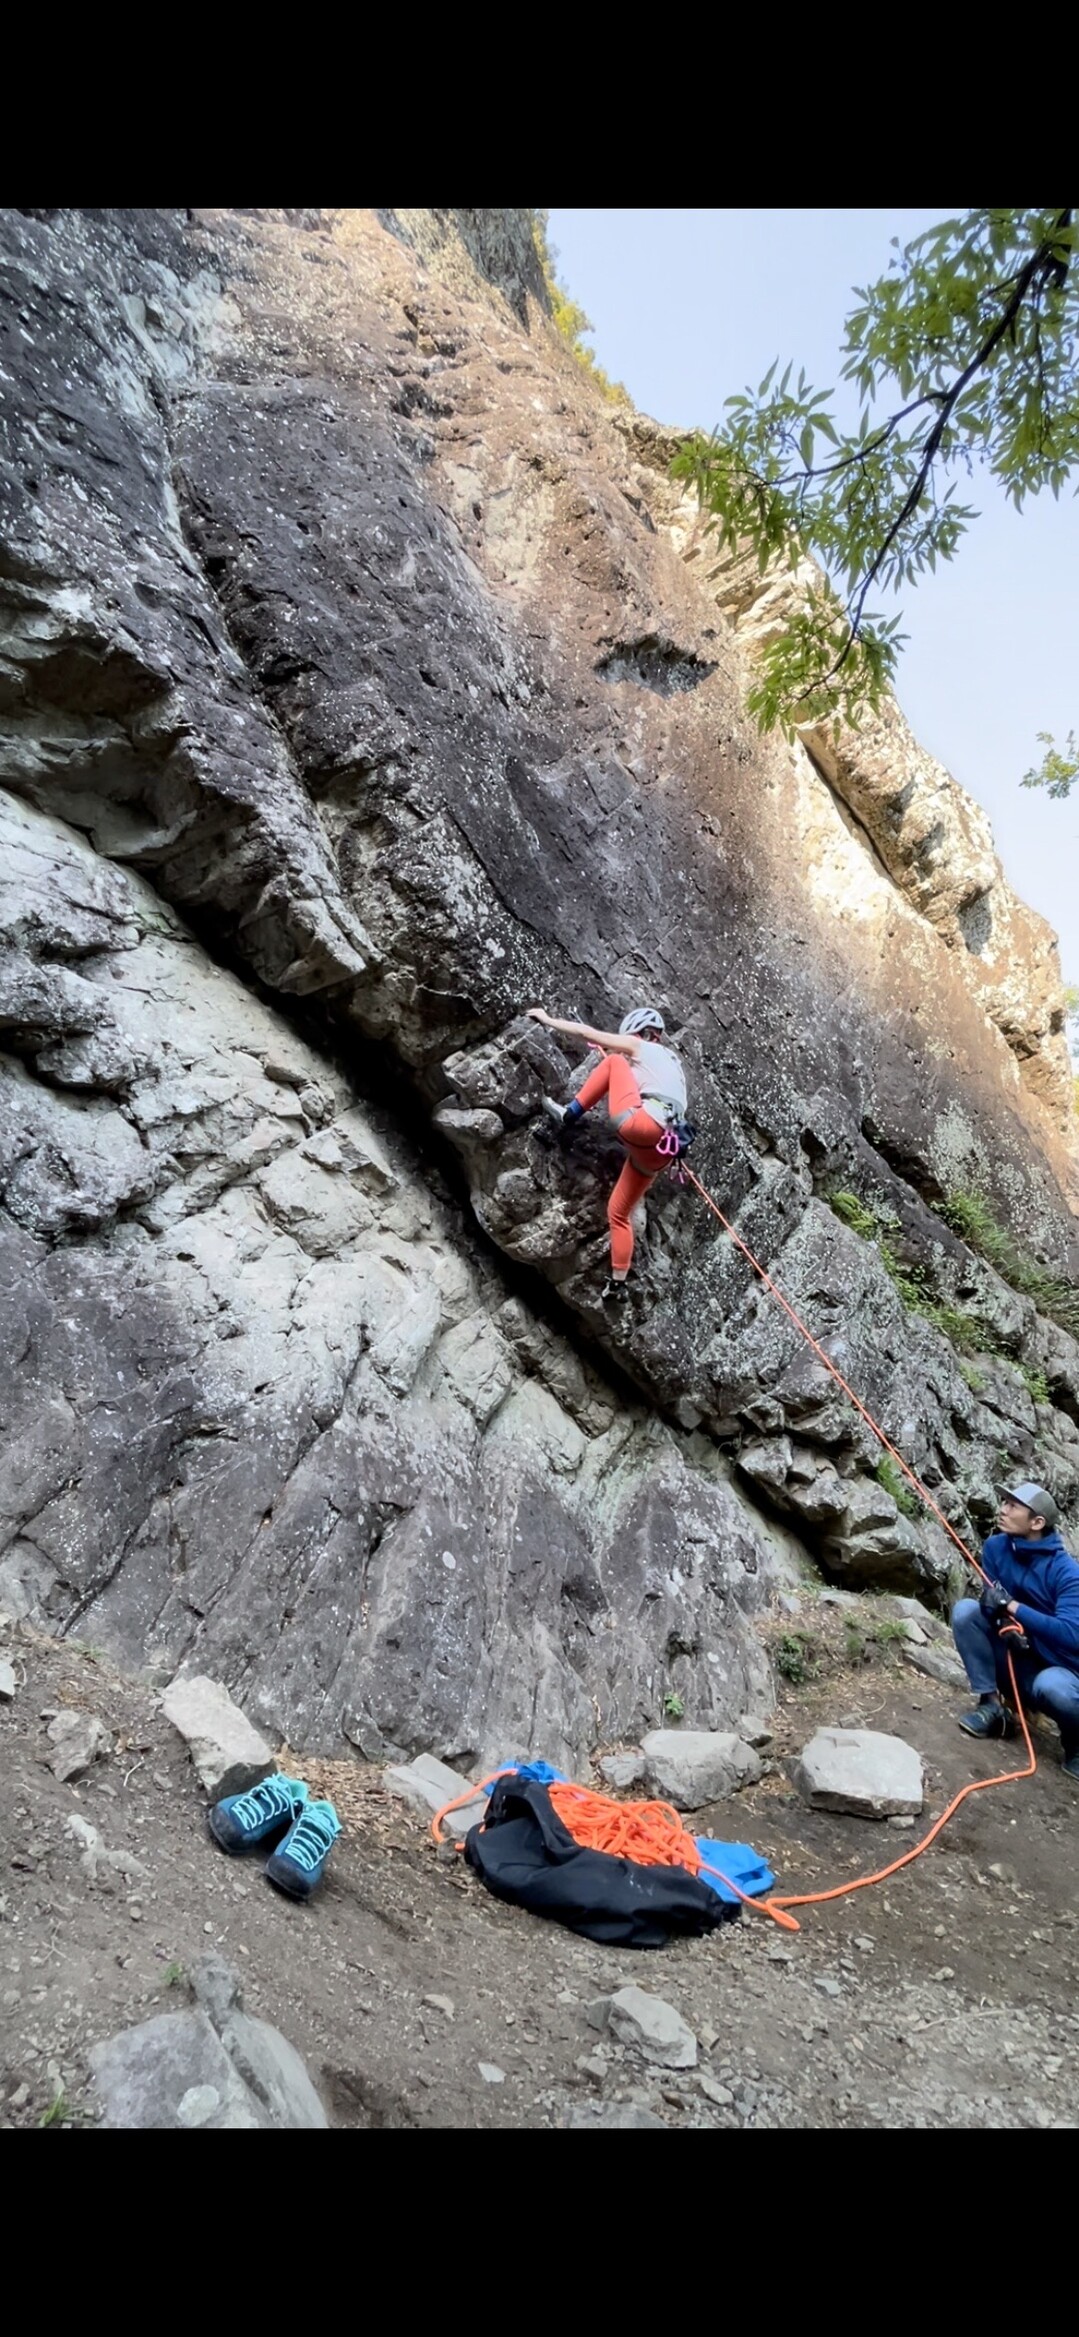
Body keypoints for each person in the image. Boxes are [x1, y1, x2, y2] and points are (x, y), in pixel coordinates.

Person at [527, 1002, 689, 1304]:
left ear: (639, 1033)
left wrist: (547, 1019)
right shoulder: (673, 1065)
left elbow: (585, 1032)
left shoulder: (638, 1046)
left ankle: (569, 1114)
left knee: (614, 1062)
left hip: (642, 1126)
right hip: (661, 1152)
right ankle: (617, 1284)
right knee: (618, 1211)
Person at [952, 1480, 1079, 1778]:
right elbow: (989, 1604)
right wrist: (1004, 1623)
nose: (1002, 1510)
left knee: (1052, 1686)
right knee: (965, 1612)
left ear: (1037, 1522)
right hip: (1016, 1659)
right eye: (1004, 1502)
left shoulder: (1067, 1573)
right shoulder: (996, 1547)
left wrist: (1013, 1608)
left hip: (1061, 1670)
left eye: (1012, 1506)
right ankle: (992, 1707)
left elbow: (1072, 1635)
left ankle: (1077, 1745)